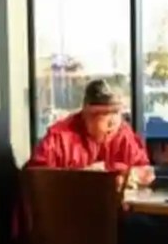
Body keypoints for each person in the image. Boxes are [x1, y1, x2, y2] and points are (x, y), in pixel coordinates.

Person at [26, 79, 154, 188]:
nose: (113, 122)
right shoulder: (59, 137)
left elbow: (145, 171)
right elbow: (35, 179)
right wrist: (83, 177)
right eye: (104, 114)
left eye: (116, 113)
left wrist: (129, 176)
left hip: (116, 208)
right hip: (68, 208)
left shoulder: (124, 134)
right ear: (86, 114)